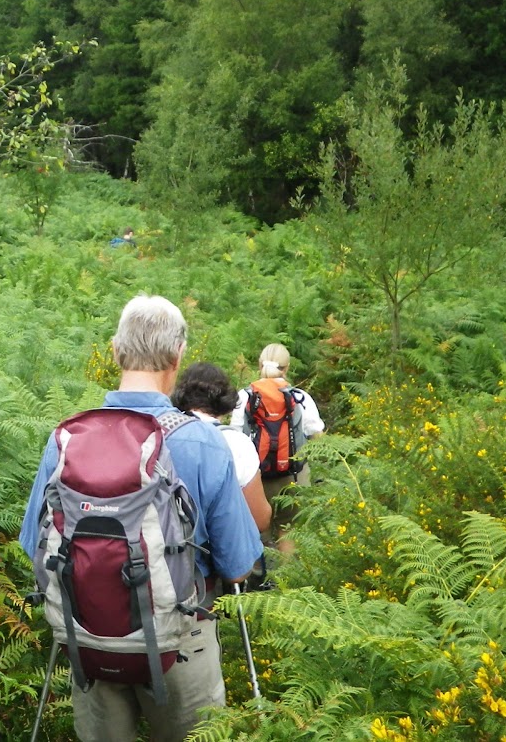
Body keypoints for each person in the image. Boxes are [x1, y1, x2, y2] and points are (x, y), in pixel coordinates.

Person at [20, 295, 263, 741]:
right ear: (178, 356)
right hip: (180, 640)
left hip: (87, 638)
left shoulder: (67, 441)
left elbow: (30, 544)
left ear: (115, 351)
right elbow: (238, 564)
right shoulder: (204, 443)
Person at [230, 342, 324, 552]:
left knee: (254, 529)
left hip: (254, 477)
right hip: (293, 475)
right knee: (287, 528)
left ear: (259, 365)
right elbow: (319, 437)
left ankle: (257, 578)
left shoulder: (244, 397)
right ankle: (286, 579)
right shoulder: (300, 397)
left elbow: (235, 437)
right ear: (287, 367)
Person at [173, 362, 272, 532]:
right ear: (225, 400)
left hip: (170, 547)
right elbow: (260, 520)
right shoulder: (237, 442)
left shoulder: (162, 433)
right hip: (218, 547)